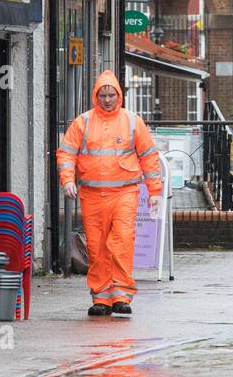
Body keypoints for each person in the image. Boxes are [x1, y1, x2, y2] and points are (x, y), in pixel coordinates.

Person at [57, 70, 163, 316]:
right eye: (102, 94)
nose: (107, 99)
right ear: (96, 96)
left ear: (119, 95)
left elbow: (149, 157)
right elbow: (66, 154)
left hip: (124, 193)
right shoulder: (82, 122)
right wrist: (67, 180)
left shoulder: (132, 121)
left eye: (111, 94)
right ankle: (101, 297)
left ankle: (122, 295)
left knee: (122, 241)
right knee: (96, 247)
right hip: (92, 195)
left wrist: (155, 191)